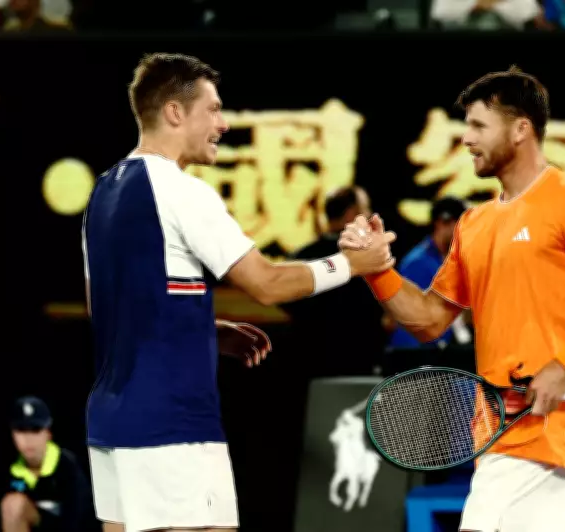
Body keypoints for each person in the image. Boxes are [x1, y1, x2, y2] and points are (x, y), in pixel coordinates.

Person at [80, 53, 395, 532]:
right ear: (174, 112)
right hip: (172, 427)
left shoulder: (103, 192)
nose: (223, 124)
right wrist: (351, 264)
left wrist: (200, 328)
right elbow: (266, 284)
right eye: (213, 109)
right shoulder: (182, 192)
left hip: (111, 422)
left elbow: (106, 307)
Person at [339, 67, 565, 532]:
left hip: (546, 431)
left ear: (521, 129)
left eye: (478, 125)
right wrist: (377, 271)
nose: (466, 139)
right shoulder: (474, 224)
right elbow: (428, 320)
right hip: (496, 432)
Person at [280, 185, 386, 376]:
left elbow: (283, 299)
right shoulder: (367, 260)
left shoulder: (300, 258)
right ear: (352, 214)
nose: (370, 216)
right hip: (358, 367)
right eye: (365, 210)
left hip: (307, 366)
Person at [389, 196, 471, 349]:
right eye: (463, 225)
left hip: (439, 354)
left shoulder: (448, 262)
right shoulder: (417, 263)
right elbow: (412, 322)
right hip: (417, 359)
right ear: (442, 223)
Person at [0, 396, 93, 532]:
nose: (28, 438)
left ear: (48, 432)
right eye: (21, 430)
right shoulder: (8, 472)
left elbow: (81, 520)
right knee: (12, 505)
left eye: (36, 429)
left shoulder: (69, 467)